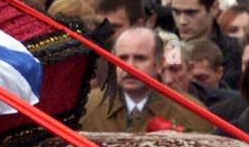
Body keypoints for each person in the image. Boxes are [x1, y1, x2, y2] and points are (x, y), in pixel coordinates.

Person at [79, 26, 213, 134]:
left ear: (159, 64)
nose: (129, 66)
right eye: (123, 58)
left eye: (140, 58)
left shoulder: (192, 113)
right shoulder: (84, 108)